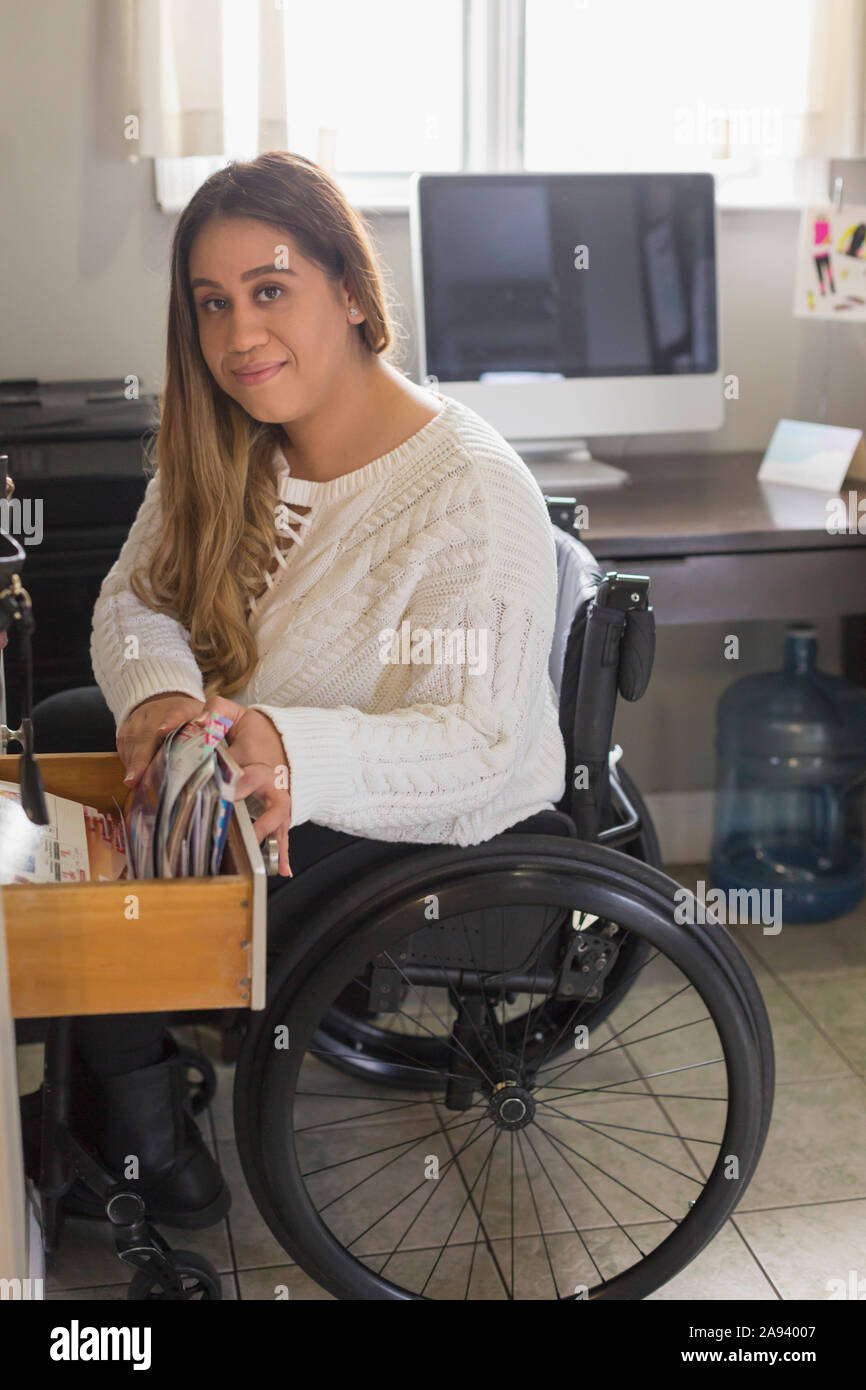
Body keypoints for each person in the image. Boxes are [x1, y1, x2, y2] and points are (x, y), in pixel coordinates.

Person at [22, 150, 567, 1228]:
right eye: (212, 304)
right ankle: (115, 1095)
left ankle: (141, 1146)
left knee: (139, 858)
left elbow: (481, 740)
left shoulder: (465, 487)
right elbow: (135, 603)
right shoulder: (226, 442)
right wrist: (164, 701)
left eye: (270, 291)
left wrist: (284, 747)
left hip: (416, 820)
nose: (238, 336)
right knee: (70, 736)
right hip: (244, 761)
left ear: (353, 295)